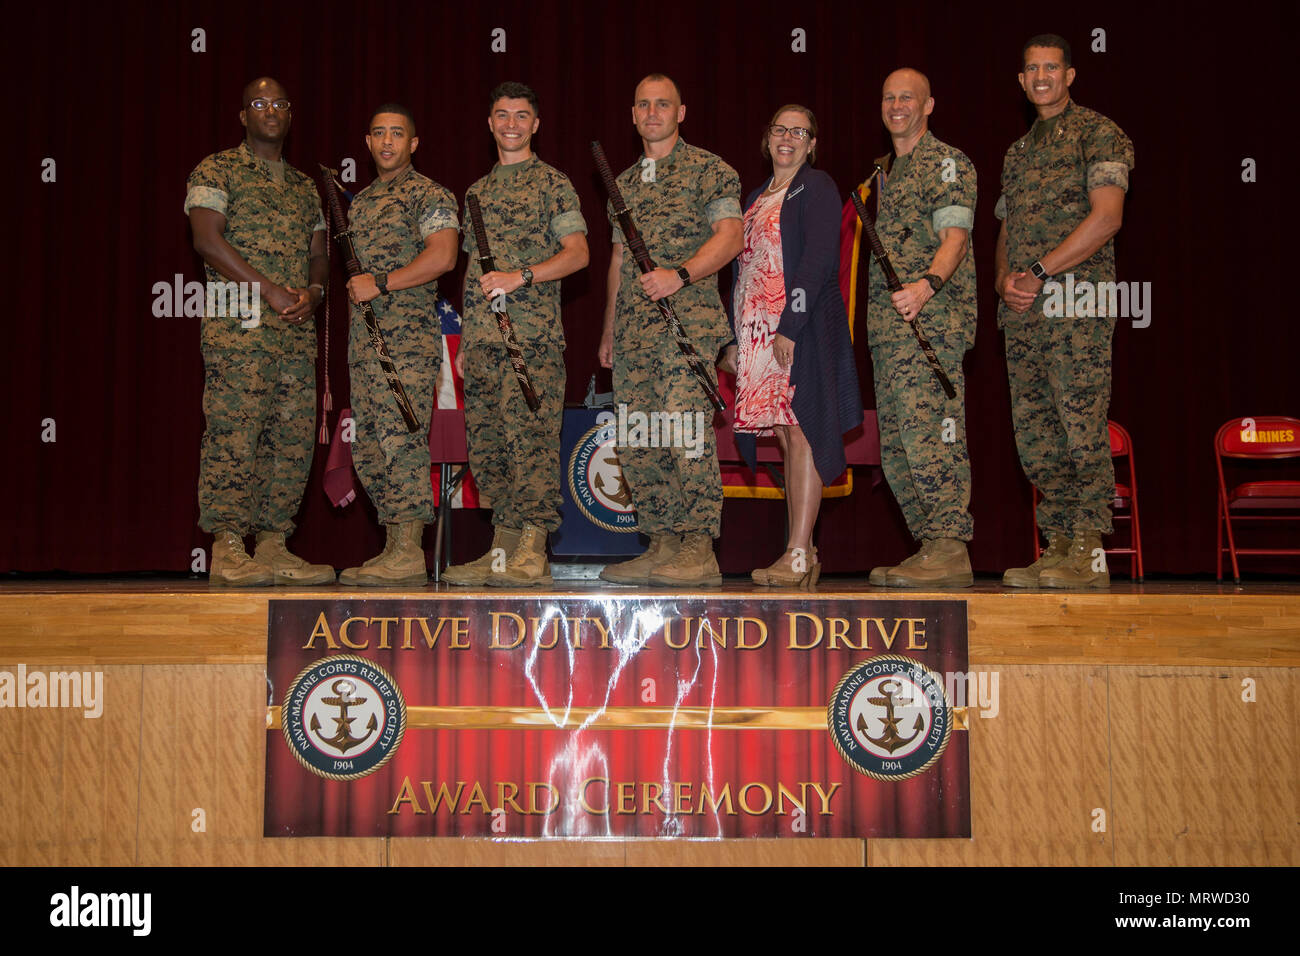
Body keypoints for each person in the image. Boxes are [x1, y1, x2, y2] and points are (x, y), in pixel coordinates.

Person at [995, 35, 1134, 589]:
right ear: (1022, 81)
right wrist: (1008, 281)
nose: (1042, 76)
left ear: (1070, 75)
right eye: (1032, 69)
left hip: (1077, 302)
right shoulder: (1018, 151)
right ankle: (1057, 544)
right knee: (1036, 430)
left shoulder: (1099, 132)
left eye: (1051, 67)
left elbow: (1107, 218)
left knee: (1079, 422)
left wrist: (1041, 273)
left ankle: (1090, 546)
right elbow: (1007, 226)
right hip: (1025, 309)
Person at [185, 77, 334, 587]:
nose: (270, 111)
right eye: (259, 104)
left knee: (290, 438)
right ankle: (227, 546)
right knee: (235, 431)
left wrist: (314, 294)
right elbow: (206, 240)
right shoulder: (217, 168)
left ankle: (272, 545)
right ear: (243, 115)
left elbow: (319, 255)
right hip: (239, 320)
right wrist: (268, 288)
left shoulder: (302, 186)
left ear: (290, 115)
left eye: (279, 104)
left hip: (294, 327)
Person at [597, 74, 743, 588]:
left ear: (681, 113)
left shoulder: (710, 170)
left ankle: (699, 547)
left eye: (664, 105)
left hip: (687, 328)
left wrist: (679, 274)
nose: (653, 113)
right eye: (644, 105)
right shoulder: (627, 182)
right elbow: (617, 257)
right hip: (635, 334)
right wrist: (610, 326)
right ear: (632, 114)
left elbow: (730, 237)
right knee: (641, 439)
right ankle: (660, 543)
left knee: (685, 433)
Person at [442, 81, 589, 588]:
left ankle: (532, 548)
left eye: (521, 115)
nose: (511, 123)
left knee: (531, 444)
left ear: (535, 124)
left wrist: (521, 275)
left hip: (533, 340)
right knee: (489, 447)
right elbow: (467, 272)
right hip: (482, 344)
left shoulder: (553, 183)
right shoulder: (477, 193)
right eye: (502, 114)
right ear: (489, 123)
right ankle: (501, 551)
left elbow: (578, 254)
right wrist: (464, 340)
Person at [728, 105, 862, 587]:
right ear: (767, 139)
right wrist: (736, 337)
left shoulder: (817, 186)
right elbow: (743, 271)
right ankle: (803, 551)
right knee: (786, 438)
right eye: (779, 129)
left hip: (796, 326)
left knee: (802, 427)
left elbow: (821, 258)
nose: (788, 137)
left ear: (811, 143)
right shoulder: (754, 196)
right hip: (758, 330)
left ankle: (798, 552)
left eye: (798, 131)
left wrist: (791, 324)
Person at [863, 69, 978, 589]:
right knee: (897, 446)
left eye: (907, 97)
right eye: (889, 97)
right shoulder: (885, 172)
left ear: (929, 105)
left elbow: (953, 237)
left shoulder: (945, 163)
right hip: (889, 334)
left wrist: (928, 285)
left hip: (930, 325)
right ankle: (931, 547)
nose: (896, 105)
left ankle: (951, 546)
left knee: (932, 433)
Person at [337, 104, 459, 586]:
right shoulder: (361, 202)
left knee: (400, 442)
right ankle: (393, 545)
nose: (388, 142)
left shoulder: (428, 194)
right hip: (364, 347)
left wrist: (382, 283)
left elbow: (444, 255)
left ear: (413, 144)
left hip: (405, 344)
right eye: (379, 134)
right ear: (368, 143)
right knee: (369, 446)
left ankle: (408, 549)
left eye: (398, 134)